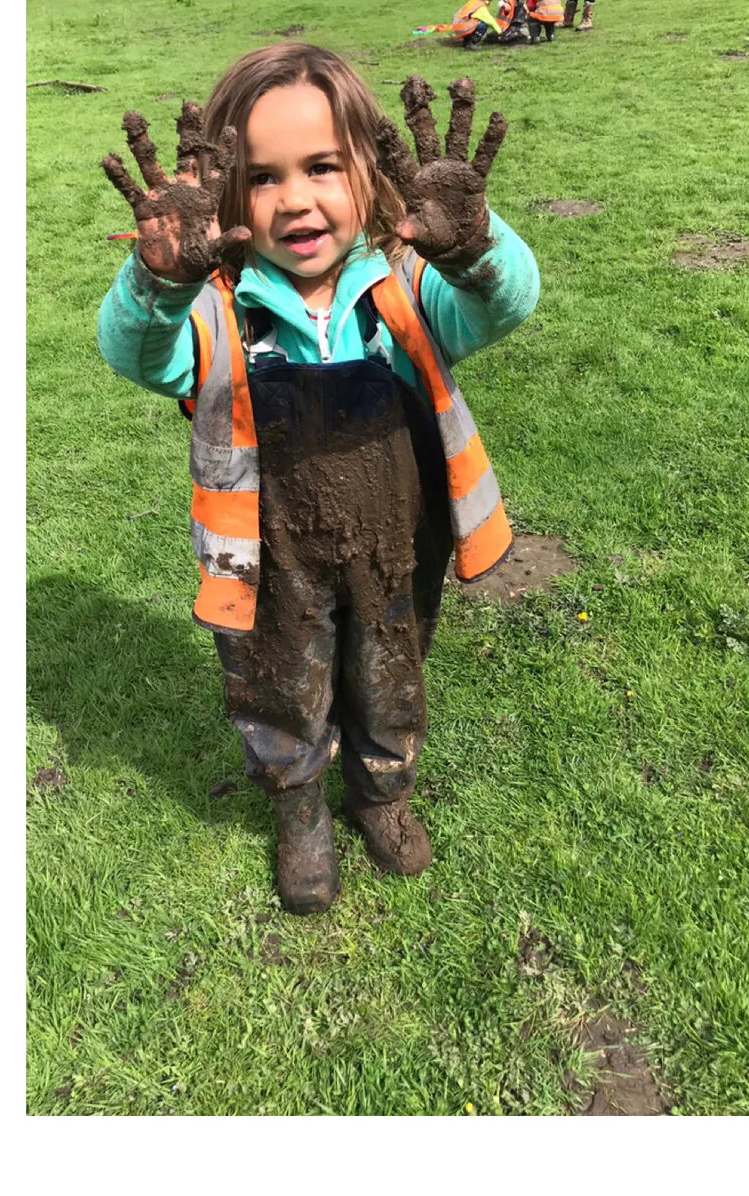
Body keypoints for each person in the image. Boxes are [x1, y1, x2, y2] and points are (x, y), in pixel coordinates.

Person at [95, 47, 538, 914]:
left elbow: (502, 306)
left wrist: (476, 246)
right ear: (223, 194)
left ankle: (382, 794)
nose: (295, 199)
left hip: (395, 544)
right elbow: (138, 355)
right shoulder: (217, 306)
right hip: (268, 553)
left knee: (391, 671)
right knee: (278, 682)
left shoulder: (409, 282)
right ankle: (299, 806)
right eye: (260, 179)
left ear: (372, 172)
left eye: (322, 167)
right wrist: (157, 282)